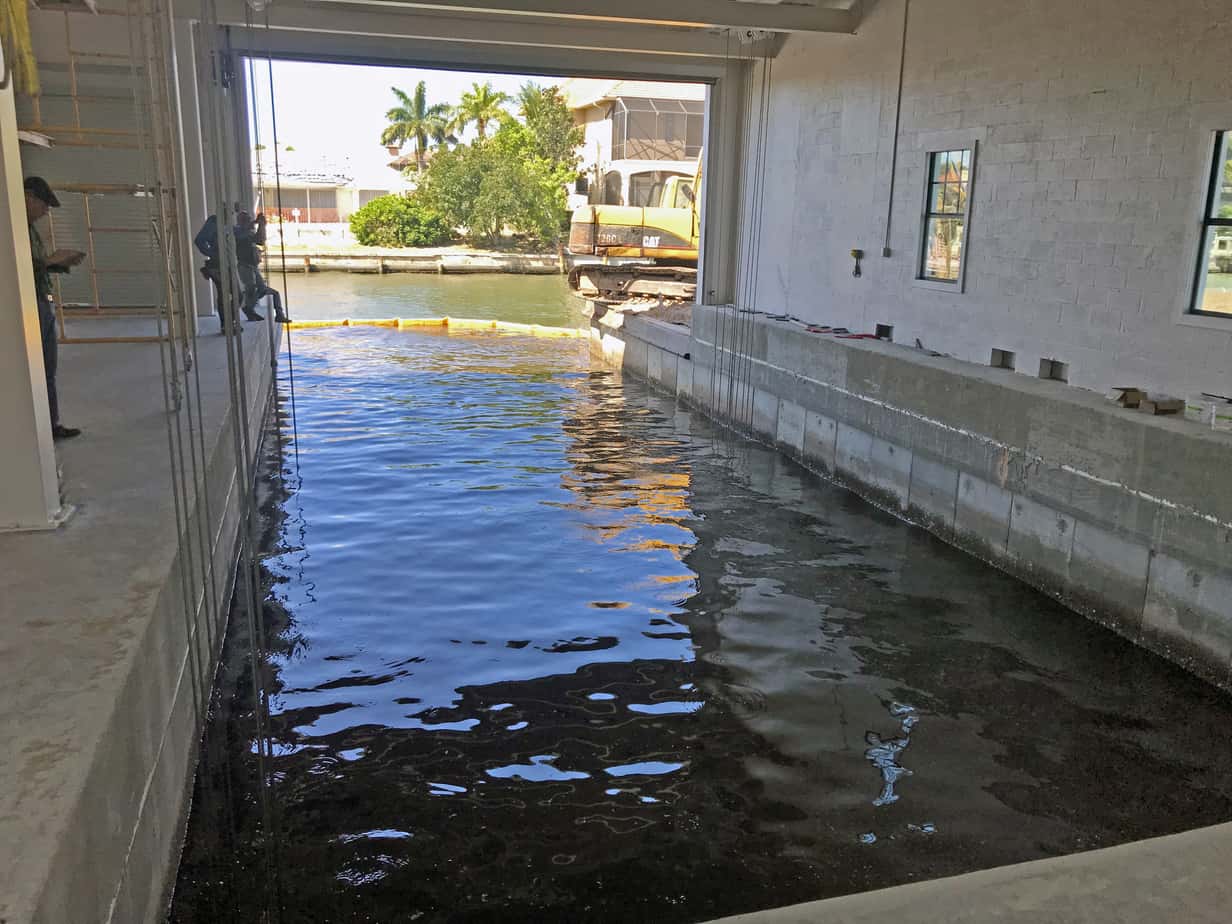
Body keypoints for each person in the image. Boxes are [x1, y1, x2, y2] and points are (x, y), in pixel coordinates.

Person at [24, 176, 85, 440]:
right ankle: (39, 427)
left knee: (49, 367)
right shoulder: (14, 231)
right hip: (31, 304)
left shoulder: (31, 230)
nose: (46, 211)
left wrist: (61, 262)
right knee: (37, 369)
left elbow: (38, 266)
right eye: (44, 205)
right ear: (29, 198)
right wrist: (49, 261)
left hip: (44, 299)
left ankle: (52, 424)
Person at [194, 209, 255, 332]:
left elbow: (239, 232)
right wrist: (212, 253)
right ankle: (227, 324)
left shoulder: (227, 226)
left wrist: (253, 224)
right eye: (229, 212)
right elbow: (199, 240)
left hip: (228, 266)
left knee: (232, 295)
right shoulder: (213, 222)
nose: (231, 215)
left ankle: (227, 324)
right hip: (218, 266)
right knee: (230, 294)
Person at [234, 209, 289, 324]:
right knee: (251, 289)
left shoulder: (249, 232)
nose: (249, 222)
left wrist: (262, 225)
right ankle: (247, 308)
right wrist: (255, 223)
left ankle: (279, 314)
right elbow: (243, 235)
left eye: (249, 219)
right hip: (245, 267)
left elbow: (260, 240)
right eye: (246, 220)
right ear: (240, 221)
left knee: (267, 291)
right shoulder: (237, 231)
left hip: (252, 267)